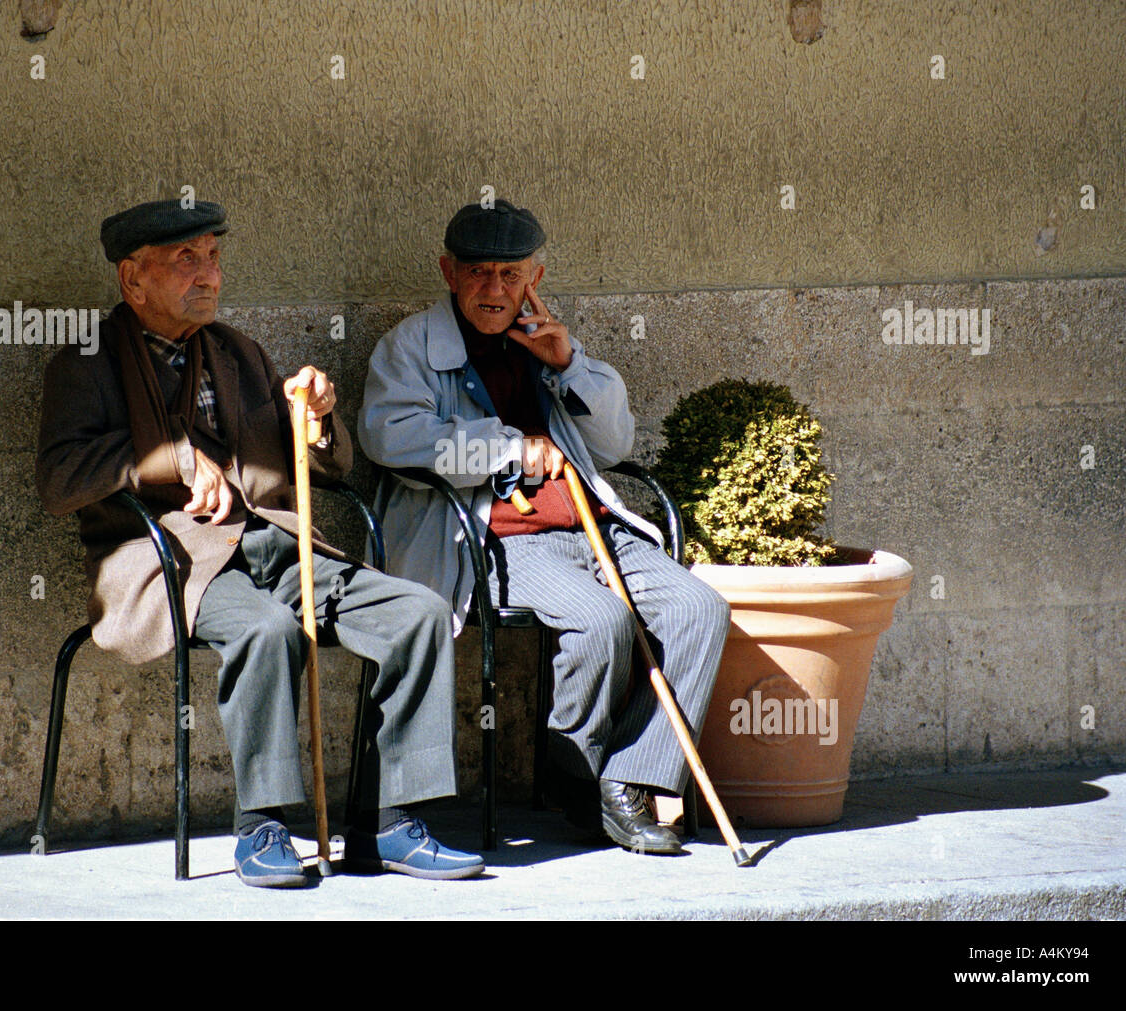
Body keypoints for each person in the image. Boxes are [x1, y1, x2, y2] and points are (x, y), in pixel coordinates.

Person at [36, 199, 482, 887]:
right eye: (187, 260)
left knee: (418, 614)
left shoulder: (240, 353)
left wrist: (316, 420)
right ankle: (264, 825)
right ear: (133, 278)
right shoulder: (86, 364)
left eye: (213, 256)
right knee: (269, 629)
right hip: (173, 562)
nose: (209, 274)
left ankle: (391, 822)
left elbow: (318, 472)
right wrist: (173, 458)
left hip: (277, 541)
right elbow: (61, 478)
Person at [358, 199, 731, 855]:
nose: (494, 289)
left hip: (587, 525)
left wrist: (569, 364)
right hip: (487, 535)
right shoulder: (412, 345)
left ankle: (627, 778)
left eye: (510, 274)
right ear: (449, 272)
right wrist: (505, 448)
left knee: (698, 606)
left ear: (535, 275)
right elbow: (390, 437)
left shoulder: (545, 339)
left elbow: (613, 443)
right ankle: (578, 769)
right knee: (600, 618)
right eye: (477, 272)